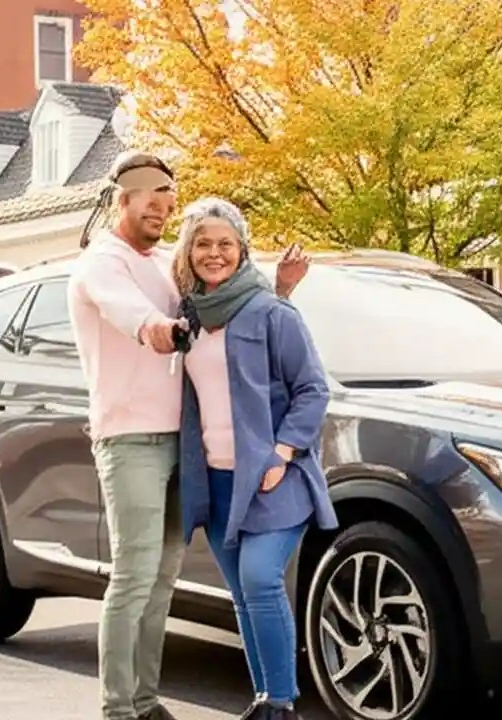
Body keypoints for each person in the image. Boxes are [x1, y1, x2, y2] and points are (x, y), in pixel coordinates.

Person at [67, 153, 310, 720]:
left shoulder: (163, 267)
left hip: (182, 441)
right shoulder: (101, 263)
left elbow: (227, 321)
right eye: (148, 200)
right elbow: (132, 315)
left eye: (167, 202)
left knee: (162, 576)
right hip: (130, 439)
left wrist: (280, 292)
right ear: (120, 200)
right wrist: (161, 329)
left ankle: (147, 701)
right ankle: (117, 710)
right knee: (133, 573)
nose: (159, 210)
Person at [172, 198, 338, 720]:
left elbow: (312, 389)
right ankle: (266, 699)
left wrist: (282, 453)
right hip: (217, 481)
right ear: (189, 251)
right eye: (203, 243)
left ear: (242, 250)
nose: (214, 253)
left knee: (262, 579)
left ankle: (284, 704)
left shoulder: (271, 312)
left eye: (225, 244)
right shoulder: (189, 318)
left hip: (273, 478)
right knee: (243, 593)